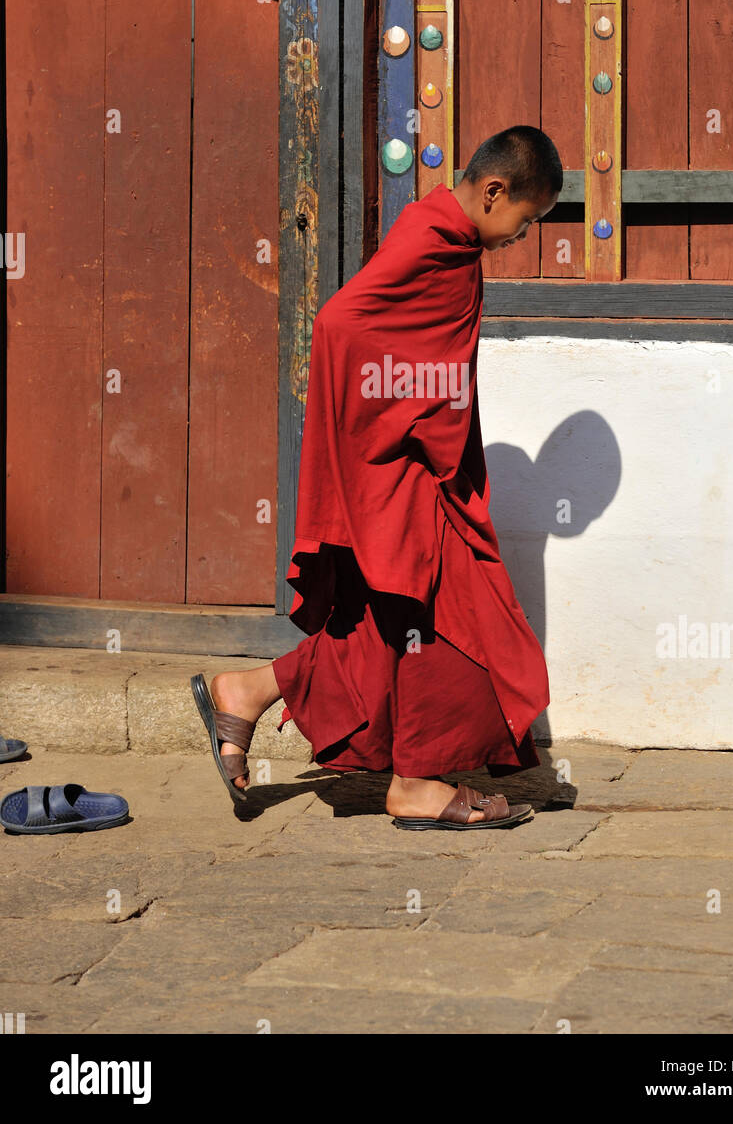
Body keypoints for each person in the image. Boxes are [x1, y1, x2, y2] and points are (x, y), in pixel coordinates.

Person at [192, 125, 562, 830]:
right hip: (402, 470)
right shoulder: (430, 239)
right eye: (527, 219)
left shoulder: (450, 241)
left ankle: (247, 690)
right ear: (494, 191)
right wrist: (401, 428)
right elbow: (341, 326)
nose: (524, 234)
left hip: (420, 468)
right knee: (455, 618)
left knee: (388, 624)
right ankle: (417, 781)